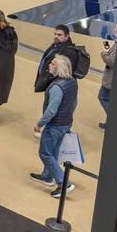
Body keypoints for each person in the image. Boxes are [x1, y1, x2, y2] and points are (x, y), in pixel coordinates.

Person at [31, 56, 78, 197]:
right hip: (66, 122)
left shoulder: (57, 87)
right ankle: (47, 176)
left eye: (53, 64)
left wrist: (39, 124)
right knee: (54, 152)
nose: (49, 65)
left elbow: (51, 110)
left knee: (45, 153)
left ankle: (64, 184)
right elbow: (74, 103)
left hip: (55, 125)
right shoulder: (72, 81)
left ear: (60, 67)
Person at [34, 24, 89, 92]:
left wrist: (52, 83)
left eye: (59, 35)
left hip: (56, 86)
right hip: (49, 83)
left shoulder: (69, 52)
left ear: (67, 36)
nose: (56, 36)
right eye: (55, 34)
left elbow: (64, 73)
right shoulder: (55, 45)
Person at [98, 22, 117, 129]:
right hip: (112, 78)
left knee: (102, 97)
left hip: (110, 80)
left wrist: (103, 53)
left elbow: (111, 61)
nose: (115, 29)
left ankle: (113, 121)